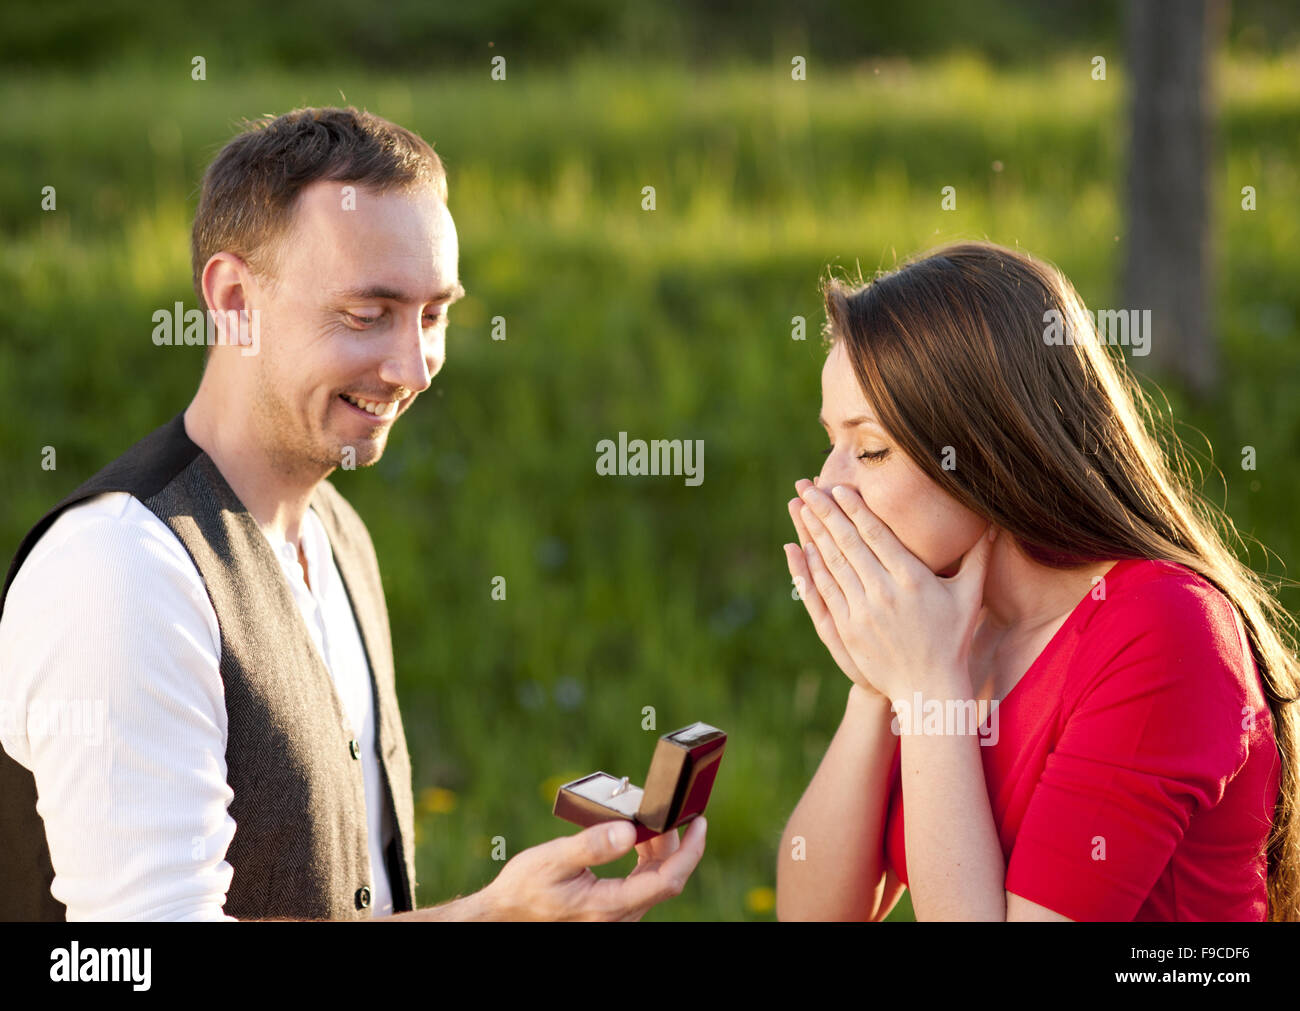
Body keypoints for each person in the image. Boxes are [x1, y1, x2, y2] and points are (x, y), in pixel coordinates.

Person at [0, 106, 705, 922]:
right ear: (233, 299)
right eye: (367, 315)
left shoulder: (339, 534)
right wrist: (491, 916)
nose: (413, 366)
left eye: (434, 313)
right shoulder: (119, 572)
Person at [776, 241, 1298, 921]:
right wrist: (877, 682)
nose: (829, 483)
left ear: (988, 451)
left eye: (870, 448)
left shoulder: (1164, 632)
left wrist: (930, 684)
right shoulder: (950, 616)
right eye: (832, 443)